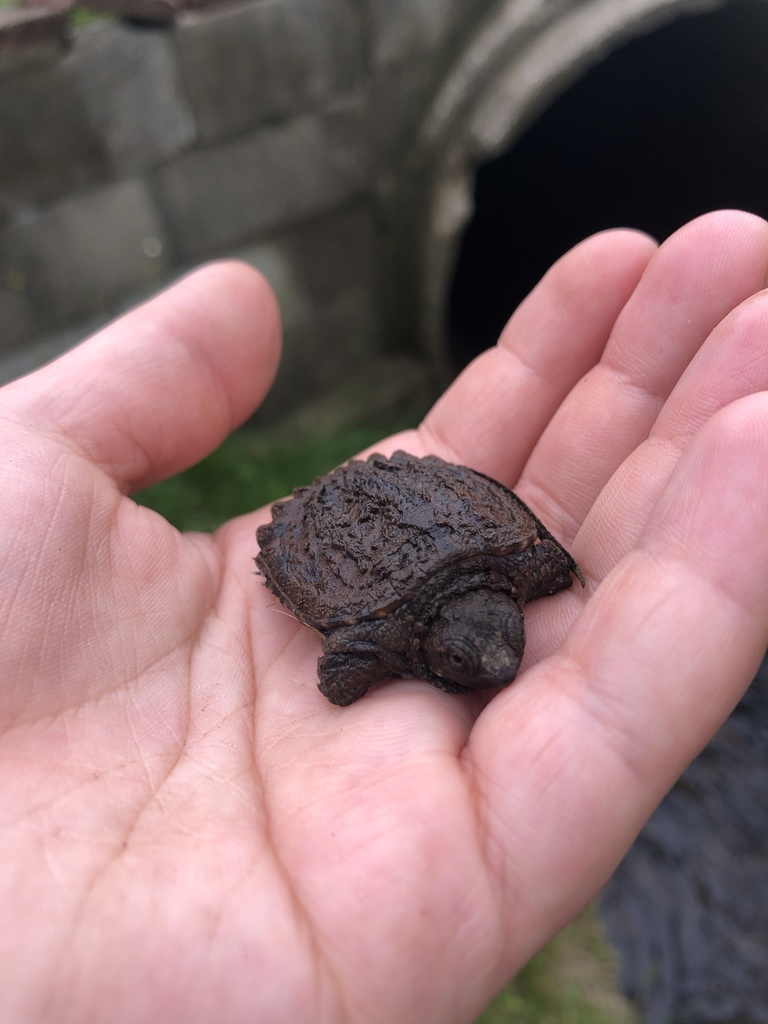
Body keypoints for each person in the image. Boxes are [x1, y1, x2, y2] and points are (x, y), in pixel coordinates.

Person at [1, 209, 767, 1024]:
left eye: (493, 655)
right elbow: (339, 674)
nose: (503, 666)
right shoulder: (410, 614)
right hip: (348, 527)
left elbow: (536, 569)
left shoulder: (518, 562)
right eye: (486, 661)